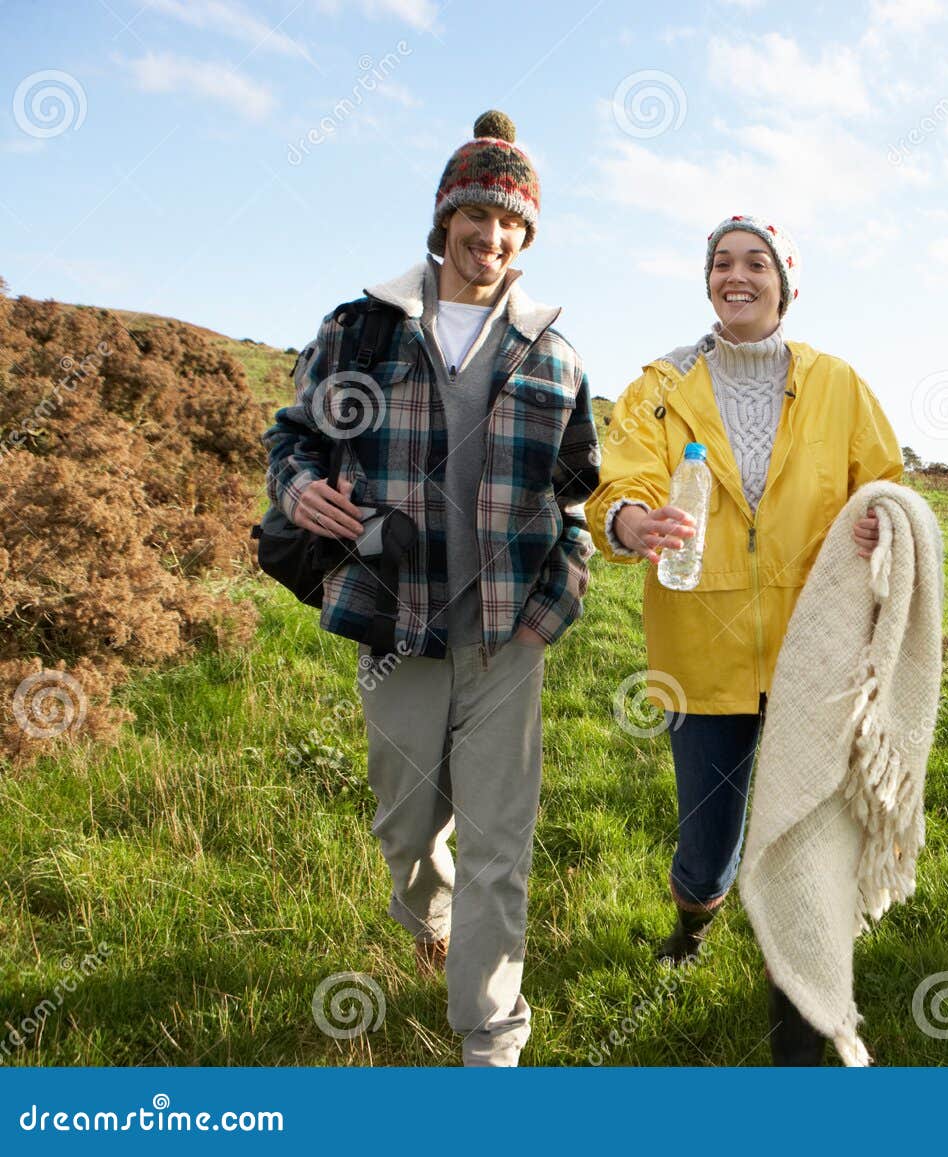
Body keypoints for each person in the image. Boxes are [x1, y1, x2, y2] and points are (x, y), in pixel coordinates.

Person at [263, 110, 598, 1066]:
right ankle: (428, 910)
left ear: (526, 240)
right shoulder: (361, 328)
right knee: (406, 829)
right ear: (445, 219)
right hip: (394, 621)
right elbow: (292, 436)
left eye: (511, 225)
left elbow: (576, 501)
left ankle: (489, 1039)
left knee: (502, 845)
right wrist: (304, 490)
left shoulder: (556, 354)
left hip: (505, 638)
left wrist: (549, 612)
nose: (490, 237)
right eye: (477, 215)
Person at [584, 214, 902, 1064]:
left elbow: (887, 488)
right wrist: (630, 519)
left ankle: (797, 1027)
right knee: (708, 845)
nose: (737, 275)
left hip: (817, 647)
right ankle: (694, 919)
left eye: (755, 262)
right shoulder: (660, 382)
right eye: (721, 262)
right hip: (702, 648)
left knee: (802, 842)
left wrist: (880, 526)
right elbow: (619, 479)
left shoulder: (837, 382)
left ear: (783, 282)